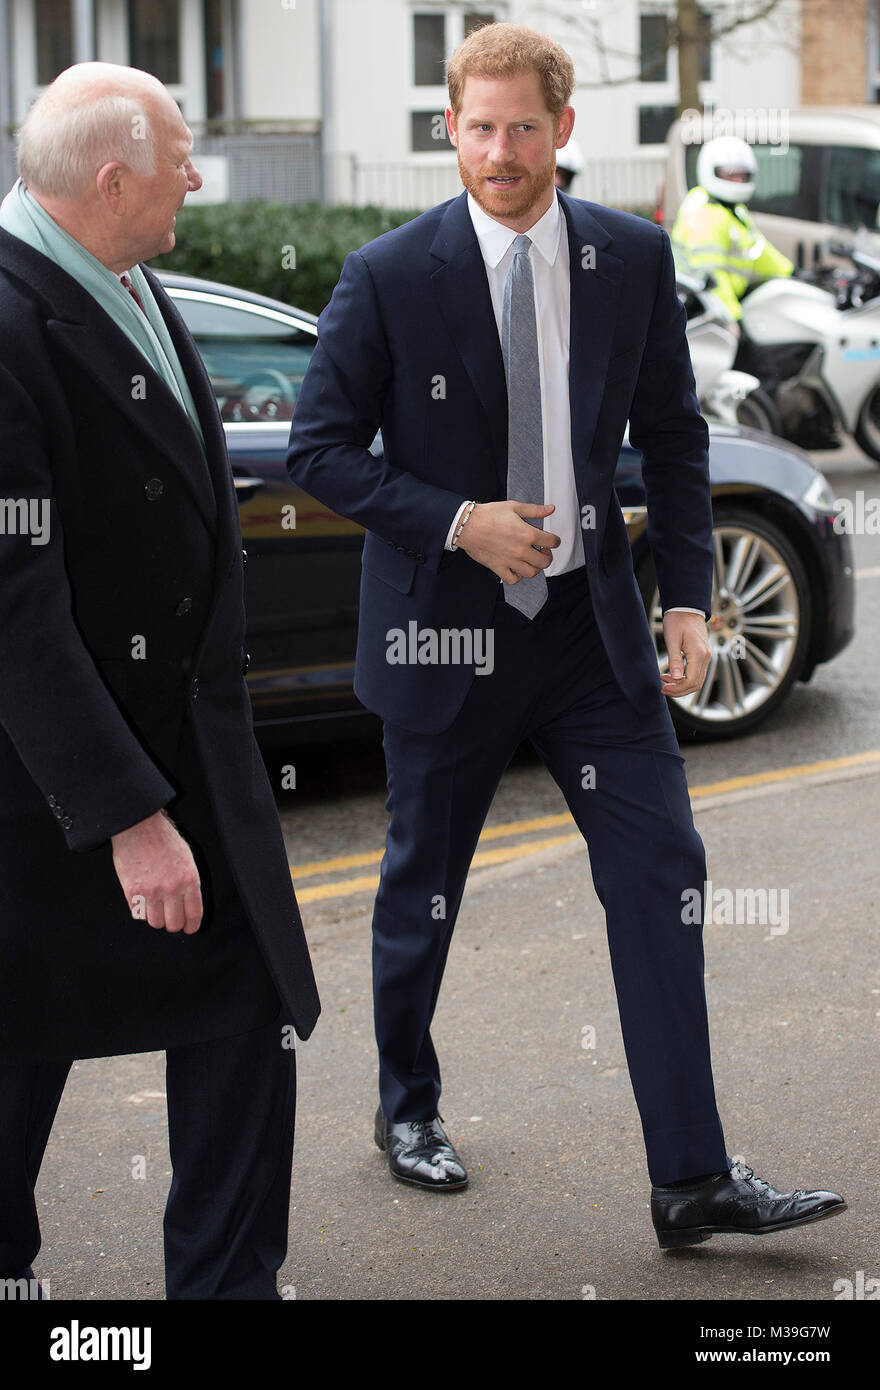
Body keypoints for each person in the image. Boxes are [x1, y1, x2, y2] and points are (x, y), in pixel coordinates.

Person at [288, 23, 844, 1249]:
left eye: (522, 128)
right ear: (449, 129)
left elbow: (677, 439)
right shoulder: (387, 273)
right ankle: (406, 1106)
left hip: (592, 641)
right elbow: (317, 450)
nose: (499, 151)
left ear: (563, 130)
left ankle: (690, 1179)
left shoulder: (633, 258)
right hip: (448, 639)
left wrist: (688, 598)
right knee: (420, 889)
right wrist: (456, 523)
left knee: (662, 873)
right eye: (478, 127)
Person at [0, 63, 319, 1299]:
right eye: (183, 154)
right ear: (114, 176)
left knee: (243, 1027)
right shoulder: (13, 320)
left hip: (192, 760)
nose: (200, 173)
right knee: (22, 1059)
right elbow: (14, 614)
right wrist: (130, 817)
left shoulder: (118, 270)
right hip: (57, 797)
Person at [671, 135, 794, 320]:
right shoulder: (704, 213)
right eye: (730, 175)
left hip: (721, 305)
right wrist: (734, 316)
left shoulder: (734, 210)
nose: (737, 181)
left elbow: (759, 252)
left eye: (742, 176)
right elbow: (712, 276)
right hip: (700, 311)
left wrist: (791, 272)